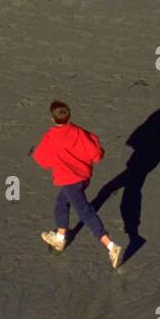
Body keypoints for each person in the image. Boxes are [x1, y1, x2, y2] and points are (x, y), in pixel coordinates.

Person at [30, 101, 122, 269]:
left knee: (85, 212)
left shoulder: (51, 137)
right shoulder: (79, 132)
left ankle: (110, 245)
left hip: (68, 181)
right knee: (61, 203)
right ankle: (60, 238)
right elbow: (96, 154)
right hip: (83, 178)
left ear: (52, 118)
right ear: (69, 115)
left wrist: (36, 153)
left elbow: (43, 159)